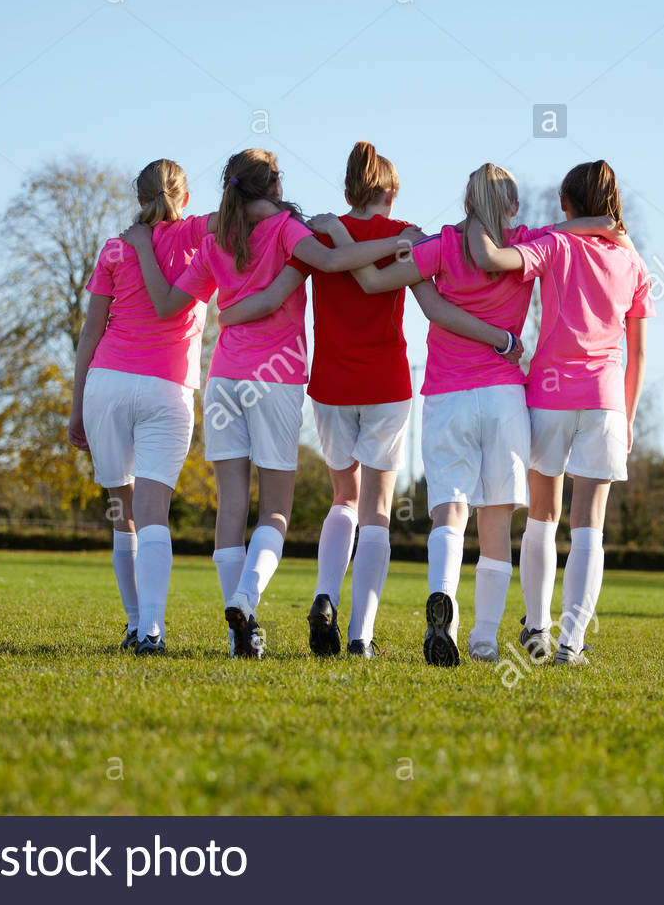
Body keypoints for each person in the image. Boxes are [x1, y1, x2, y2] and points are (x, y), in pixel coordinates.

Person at [217, 141, 522, 659]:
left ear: (348, 188)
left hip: (331, 385)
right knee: (377, 513)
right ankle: (360, 636)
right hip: (385, 383)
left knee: (344, 500)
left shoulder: (319, 233)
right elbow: (433, 299)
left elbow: (286, 285)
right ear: (391, 190)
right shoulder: (403, 237)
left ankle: (324, 595)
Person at [122, 148, 423, 658]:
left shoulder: (221, 236)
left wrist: (146, 249)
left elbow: (170, 303)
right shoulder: (288, 229)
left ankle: (242, 638)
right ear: (276, 184)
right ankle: (246, 597)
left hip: (223, 380)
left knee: (230, 508)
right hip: (275, 380)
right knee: (276, 511)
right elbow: (330, 261)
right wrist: (397, 241)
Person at [335, 163, 625, 665]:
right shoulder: (527, 241)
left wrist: (390, 263)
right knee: (495, 519)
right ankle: (484, 639)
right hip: (504, 396)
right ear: (512, 207)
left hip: (446, 396)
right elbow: (579, 232)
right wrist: (610, 226)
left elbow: (372, 283)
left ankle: (443, 596)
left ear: (466, 203)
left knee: (449, 509)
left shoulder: (442, 245)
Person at [467, 159, 651, 665]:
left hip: (547, 396)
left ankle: (537, 629)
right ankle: (571, 643)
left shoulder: (554, 243)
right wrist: (629, 418)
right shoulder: (633, 264)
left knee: (542, 519)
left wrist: (556, 228)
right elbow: (638, 355)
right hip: (607, 400)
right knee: (589, 523)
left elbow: (499, 261)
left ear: (566, 205)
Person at [67, 158, 215, 655]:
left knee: (120, 513)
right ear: (185, 196)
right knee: (154, 514)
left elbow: (90, 333)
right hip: (167, 389)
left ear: (137, 198)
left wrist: (75, 405)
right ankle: (153, 629)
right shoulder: (197, 234)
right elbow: (243, 217)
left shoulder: (115, 247)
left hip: (105, 385)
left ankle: (134, 625)